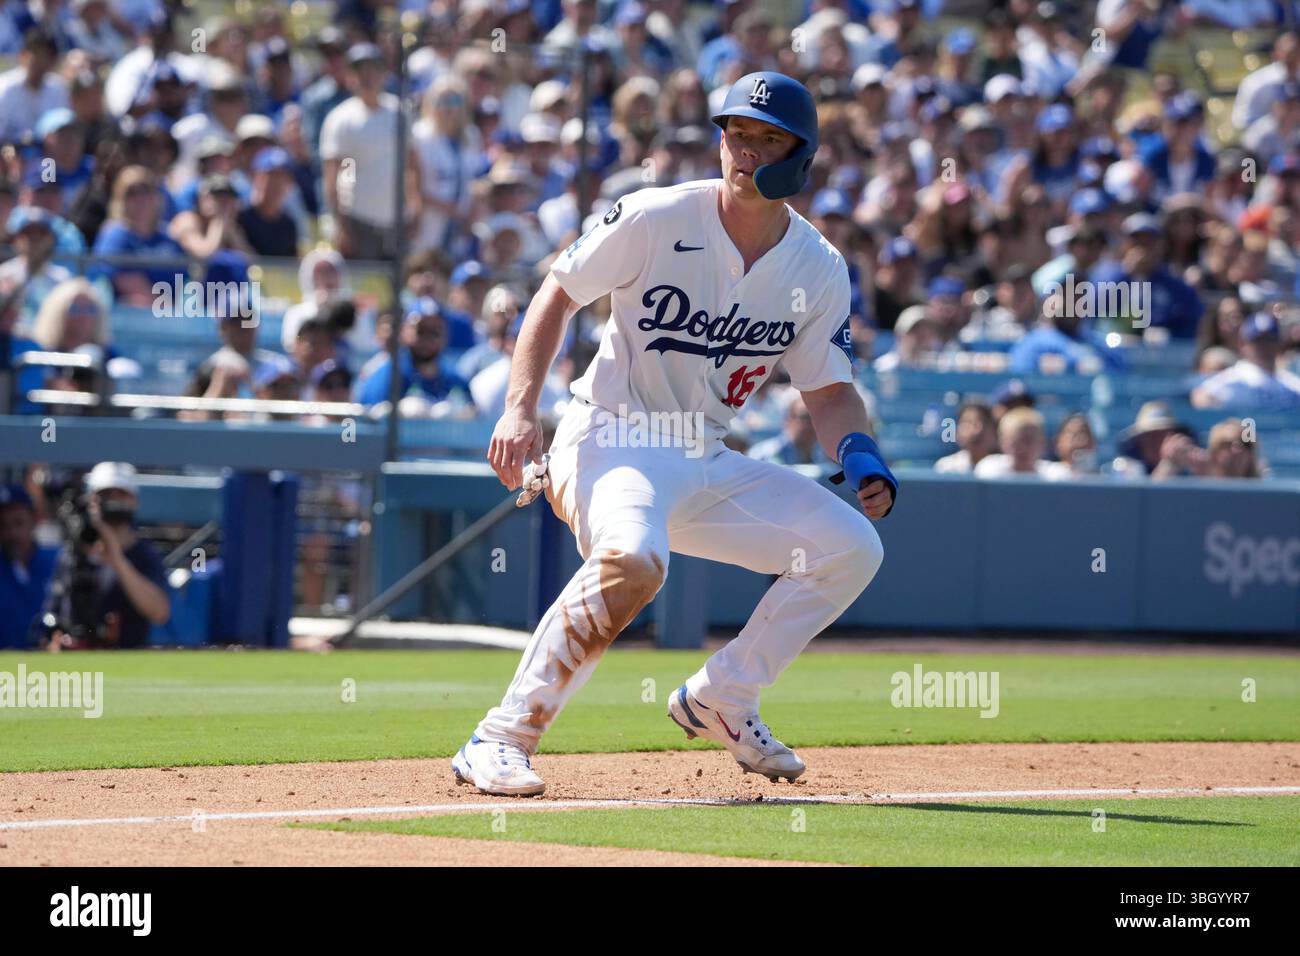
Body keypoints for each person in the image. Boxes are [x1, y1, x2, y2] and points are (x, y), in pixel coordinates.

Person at [453, 72, 894, 797]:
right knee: (634, 559)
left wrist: (860, 452)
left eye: (765, 137)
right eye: (736, 132)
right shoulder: (658, 216)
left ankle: (724, 696)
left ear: (802, 154)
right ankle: (500, 737)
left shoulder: (817, 266)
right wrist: (518, 409)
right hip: (609, 435)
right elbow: (557, 292)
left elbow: (829, 389)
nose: (744, 149)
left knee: (851, 548)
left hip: (705, 456)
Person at [42, 462, 170, 649]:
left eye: (121, 495)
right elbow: (52, 612)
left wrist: (117, 560)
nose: (113, 502)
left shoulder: (144, 554)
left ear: (134, 501)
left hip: (127, 658)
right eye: (106, 495)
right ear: (91, 500)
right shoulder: (74, 552)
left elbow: (160, 612)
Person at [1192, 312, 1300, 410]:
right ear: (1243, 344)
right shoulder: (1234, 377)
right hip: (1248, 431)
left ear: (1279, 344)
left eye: (1270, 339)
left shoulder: (1291, 382)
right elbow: (1200, 396)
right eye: (1257, 341)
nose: (1265, 346)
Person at [0, 484, 59, 648]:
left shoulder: (60, 561)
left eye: (19, 522)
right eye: (3, 525)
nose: (12, 533)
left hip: (56, 668)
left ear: (34, 519)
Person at [972, 406, 1060, 479]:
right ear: (1002, 442)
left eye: (1029, 441)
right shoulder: (988, 468)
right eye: (1015, 441)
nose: (1023, 448)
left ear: (1042, 442)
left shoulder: (1055, 475)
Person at [934, 400, 998, 473]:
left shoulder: (1007, 468)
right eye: (969, 422)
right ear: (957, 432)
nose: (977, 430)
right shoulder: (946, 467)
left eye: (984, 422)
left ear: (994, 431)